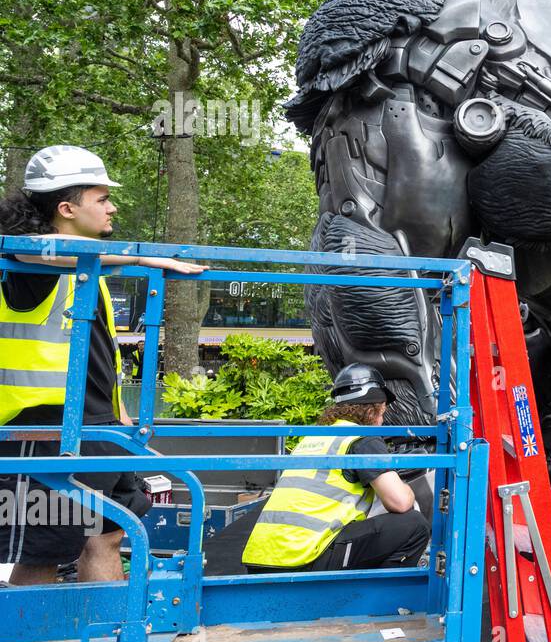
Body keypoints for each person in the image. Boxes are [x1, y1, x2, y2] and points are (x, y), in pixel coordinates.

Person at [0, 145, 206, 585]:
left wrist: (122, 420)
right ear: (66, 207)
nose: (112, 208)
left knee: (107, 535)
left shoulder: (87, 270)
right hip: (44, 429)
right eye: (102, 198)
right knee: (44, 552)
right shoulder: (27, 260)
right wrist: (138, 256)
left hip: (97, 425)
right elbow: (36, 249)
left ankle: (111, 641)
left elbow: (96, 356)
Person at [243, 364, 431, 573]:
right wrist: (401, 483)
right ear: (372, 409)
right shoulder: (362, 439)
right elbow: (400, 502)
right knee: (414, 524)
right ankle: (379, 601)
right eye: (382, 412)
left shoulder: (315, 438)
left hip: (261, 558)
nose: (382, 421)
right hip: (303, 558)